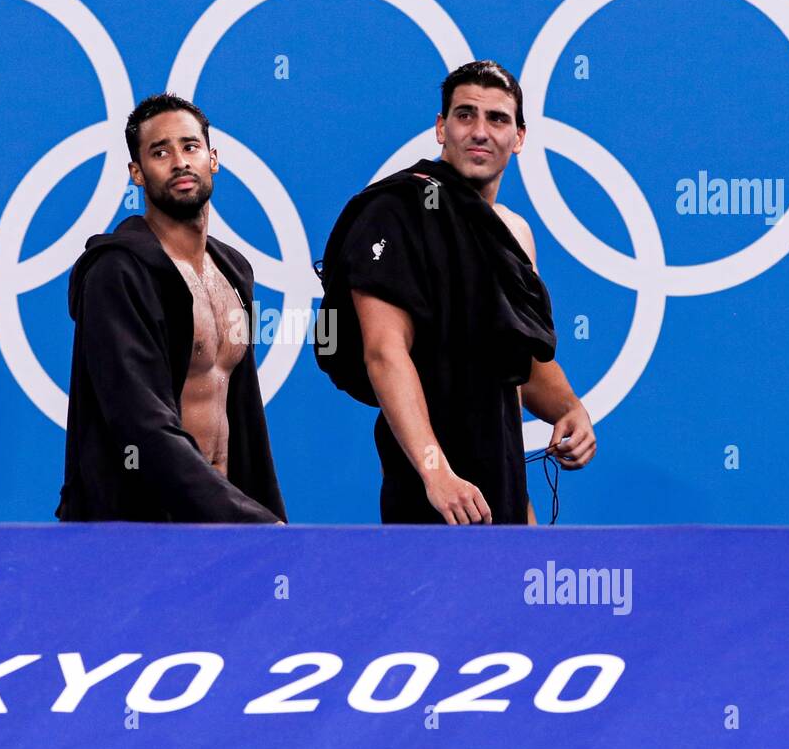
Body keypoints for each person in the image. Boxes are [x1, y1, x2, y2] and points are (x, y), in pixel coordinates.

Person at [315, 60, 595, 525]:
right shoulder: (394, 212)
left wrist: (570, 409)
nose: (480, 131)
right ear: (442, 128)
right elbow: (385, 353)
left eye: (498, 119)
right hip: (428, 497)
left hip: (503, 492)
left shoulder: (515, 233)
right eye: (465, 115)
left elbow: (519, 360)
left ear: (519, 138)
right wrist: (436, 473)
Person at [54, 93, 286, 523]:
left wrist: (265, 512)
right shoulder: (117, 273)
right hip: (134, 530)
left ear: (213, 159)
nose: (179, 161)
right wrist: (250, 519)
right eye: (160, 152)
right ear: (136, 174)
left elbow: (245, 417)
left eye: (190, 147)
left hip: (220, 521)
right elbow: (139, 423)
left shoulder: (234, 271)